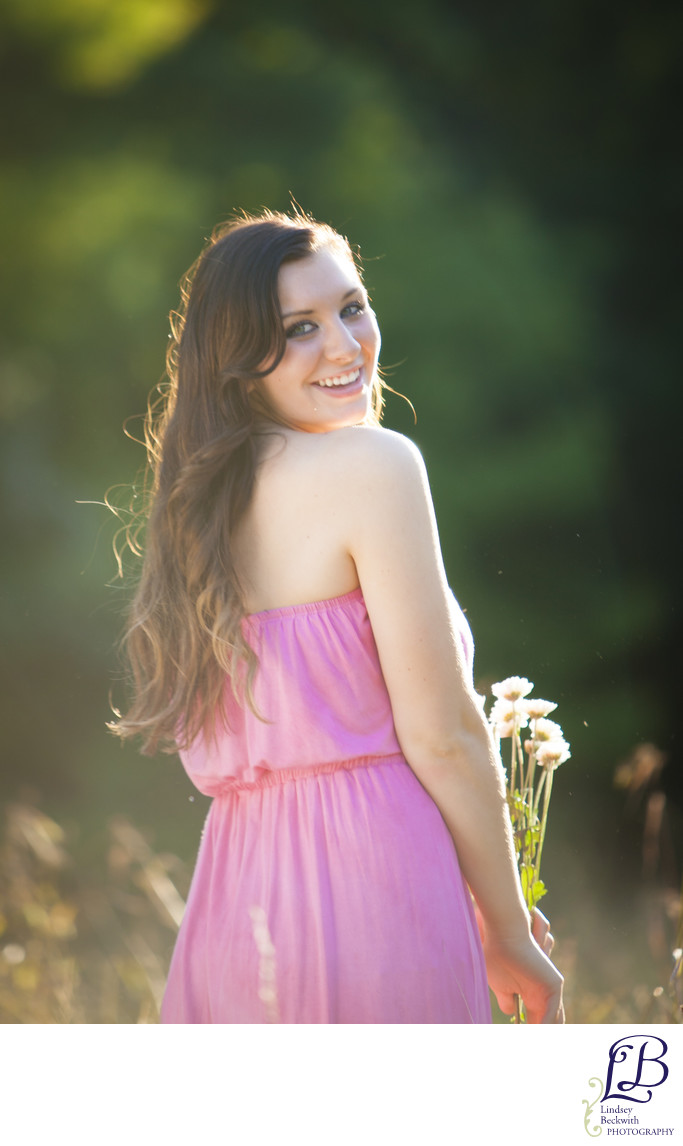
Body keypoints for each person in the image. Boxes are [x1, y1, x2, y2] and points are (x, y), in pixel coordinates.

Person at [111, 208, 564, 1024]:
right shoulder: (375, 464)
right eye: (298, 328)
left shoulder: (198, 505)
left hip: (232, 907)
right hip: (376, 887)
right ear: (237, 357)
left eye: (352, 307)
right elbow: (444, 736)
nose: (346, 346)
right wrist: (505, 926)